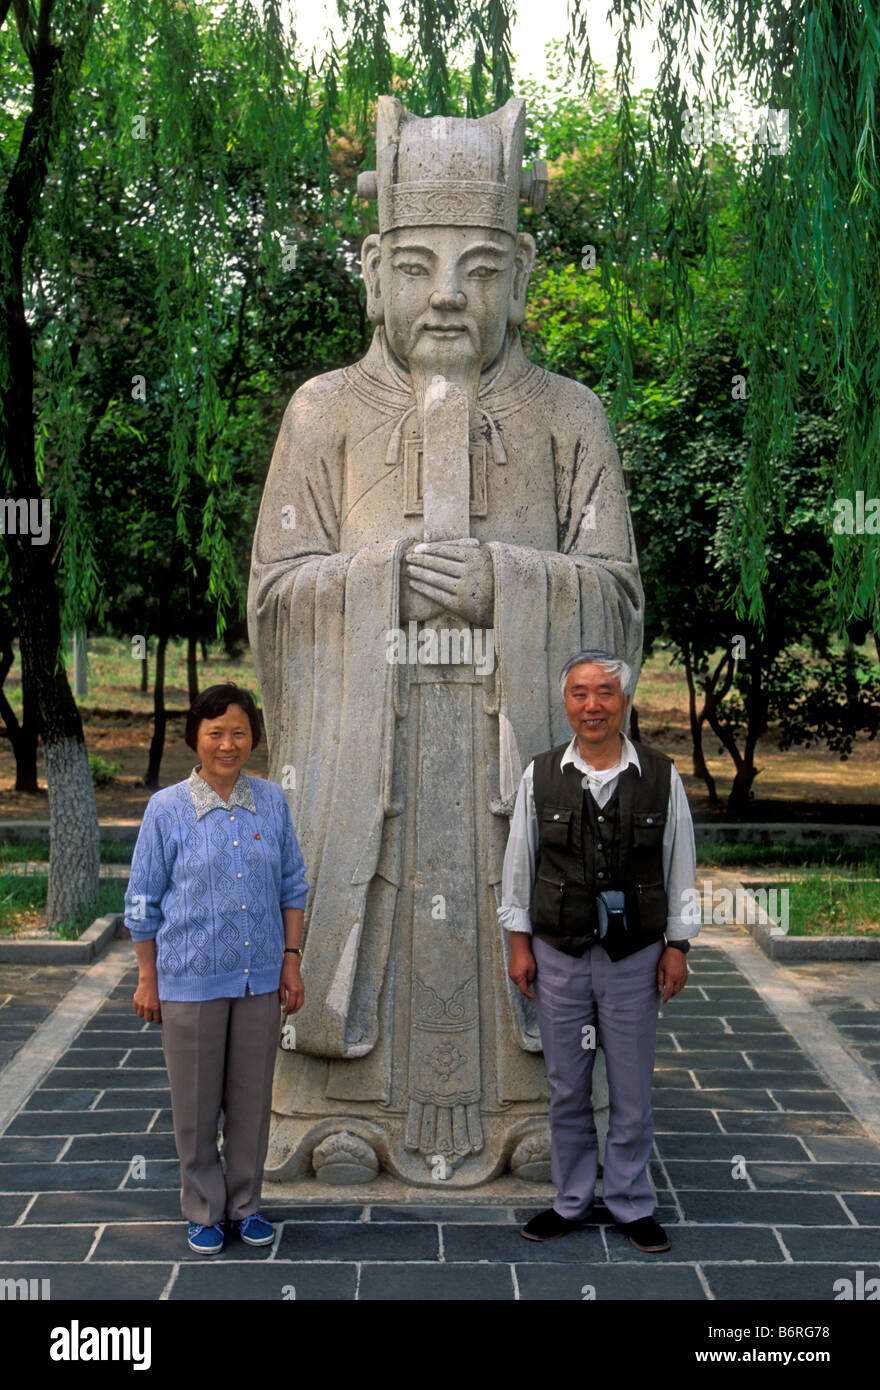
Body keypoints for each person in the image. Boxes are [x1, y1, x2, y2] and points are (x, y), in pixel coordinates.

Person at [246, 94, 644, 1186]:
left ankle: (535, 1105)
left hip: (506, 744)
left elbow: (616, 601)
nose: (448, 294)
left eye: (478, 267)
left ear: (518, 277)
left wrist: (504, 585)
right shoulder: (321, 413)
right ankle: (338, 1107)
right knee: (363, 896)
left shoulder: (572, 417)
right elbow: (276, 597)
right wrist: (377, 585)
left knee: (522, 899)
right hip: (367, 752)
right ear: (372, 271)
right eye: (417, 264)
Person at [500, 650, 698, 1252]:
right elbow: (519, 862)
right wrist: (518, 943)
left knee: (633, 1086)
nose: (593, 705)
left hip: (636, 956)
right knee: (566, 1084)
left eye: (605, 693)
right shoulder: (540, 774)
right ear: (566, 703)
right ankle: (571, 1199)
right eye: (581, 693)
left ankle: (632, 1202)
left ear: (624, 700)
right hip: (557, 952)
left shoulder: (662, 775)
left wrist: (678, 946)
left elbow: (680, 865)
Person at [125, 683, 308, 1256]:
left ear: (253, 737)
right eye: (215, 733)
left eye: (239, 732)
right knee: (197, 1103)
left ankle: (246, 1205)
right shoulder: (167, 808)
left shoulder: (272, 801)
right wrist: (147, 978)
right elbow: (141, 901)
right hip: (189, 982)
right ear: (195, 739)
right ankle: (203, 1208)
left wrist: (291, 962)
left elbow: (293, 885)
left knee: (252, 1103)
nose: (228, 744)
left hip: (260, 980)